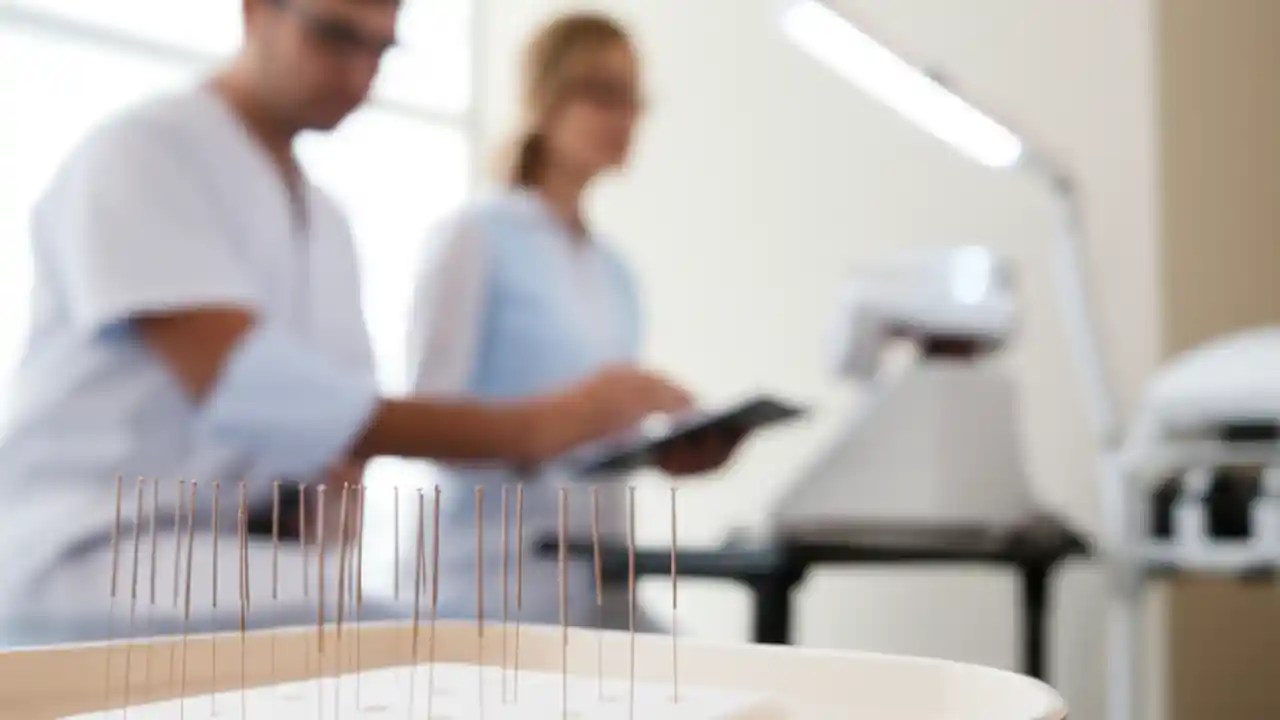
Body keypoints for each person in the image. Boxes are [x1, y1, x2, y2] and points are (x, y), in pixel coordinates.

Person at [0, 0, 690, 633]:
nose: (360, 73)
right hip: (96, 554)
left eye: (381, 50)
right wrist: (540, 426)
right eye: (335, 36)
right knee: (426, 660)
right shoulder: (145, 152)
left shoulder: (324, 220)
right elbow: (246, 382)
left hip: (253, 566)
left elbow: (339, 437)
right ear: (255, 13)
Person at [408, 13, 739, 628]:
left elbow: (597, 446)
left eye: (635, 99)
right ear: (546, 96)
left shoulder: (614, 271)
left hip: (599, 578)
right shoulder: (474, 238)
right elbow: (428, 422)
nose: (626, 117)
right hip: (490, 585)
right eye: (603, 93)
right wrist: (571, 414)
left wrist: (667, 446)